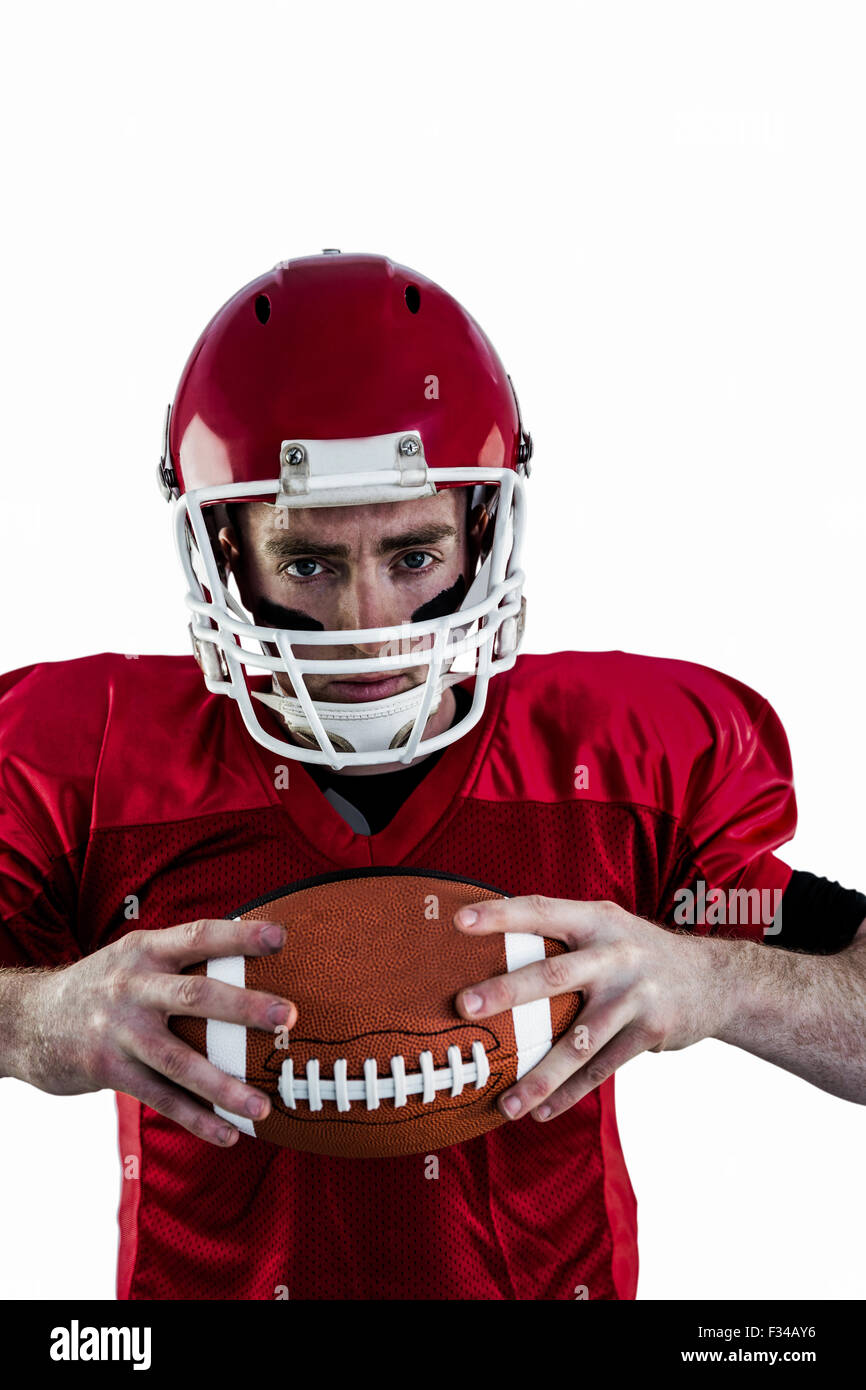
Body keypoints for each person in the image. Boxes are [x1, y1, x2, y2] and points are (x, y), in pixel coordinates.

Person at [0, 250, 864, 1301]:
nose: (368, 631)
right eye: (309, 564)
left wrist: (713, 977)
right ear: (224, 550)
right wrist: (38, 1019)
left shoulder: (618, 765)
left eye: (412, 557)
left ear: (481, 532)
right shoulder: (89, 760)